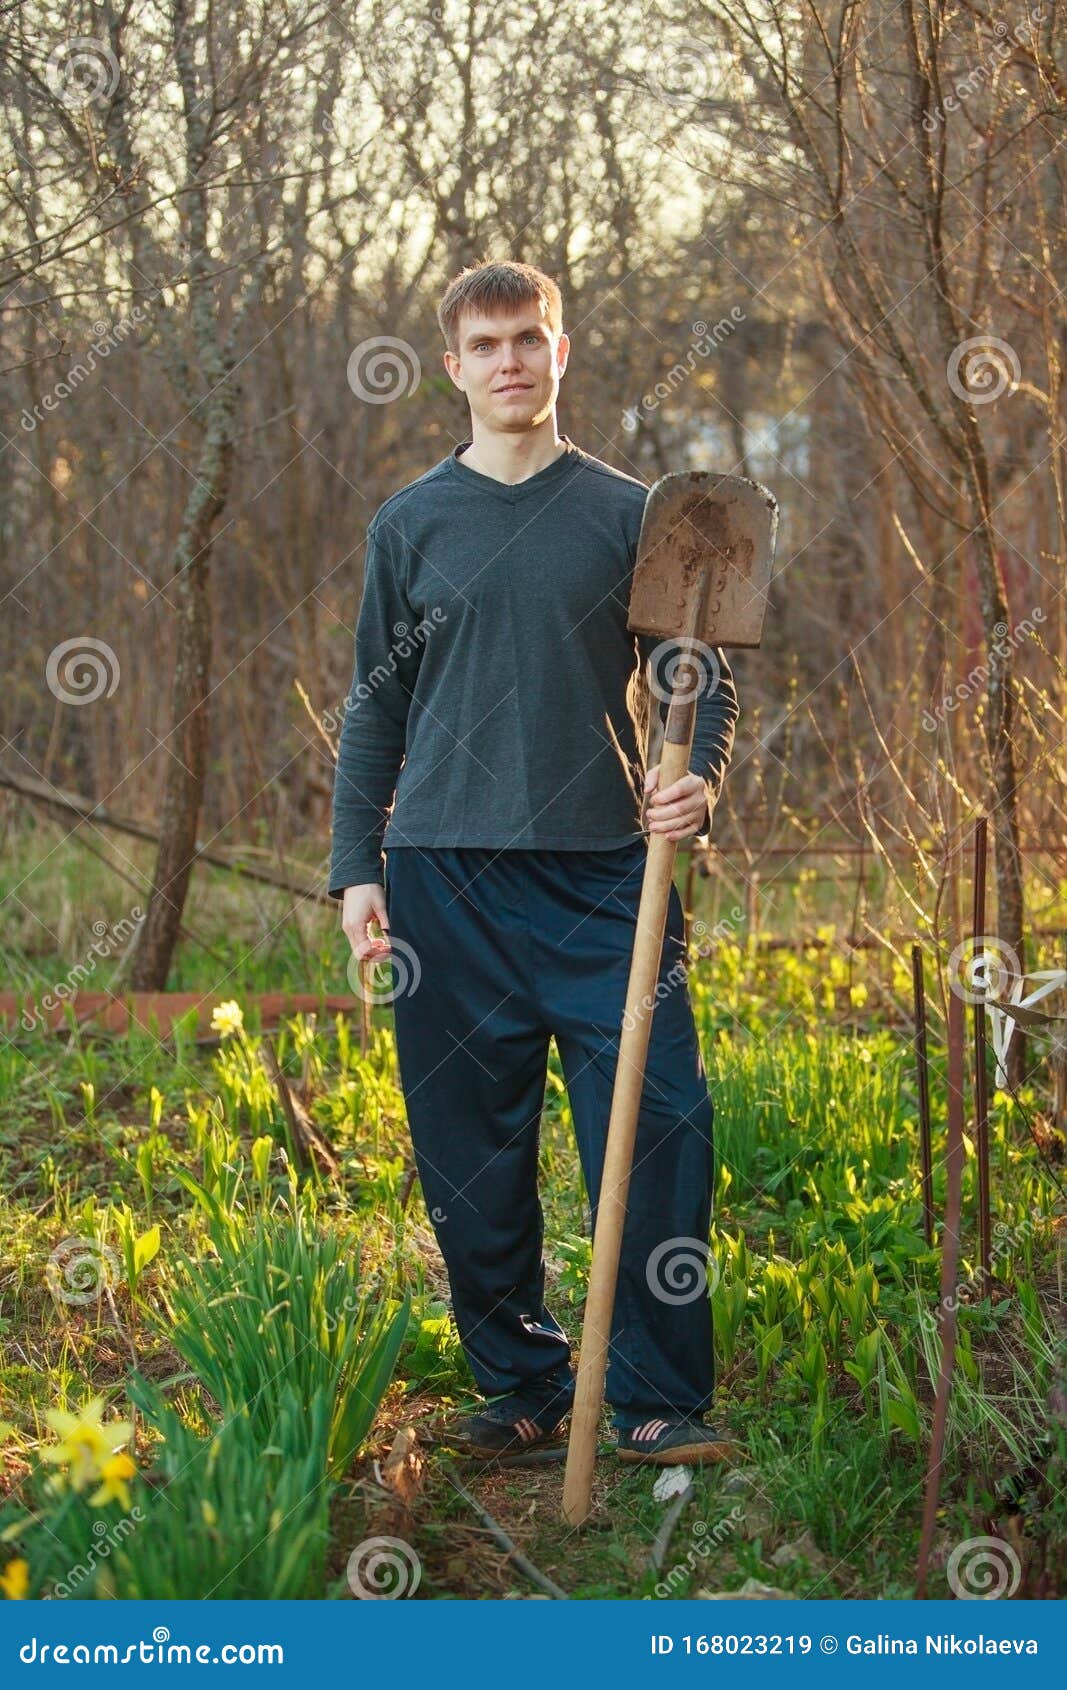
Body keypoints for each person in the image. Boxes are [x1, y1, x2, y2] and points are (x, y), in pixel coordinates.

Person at [329, 259, 740, 1466]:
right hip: (443, 877)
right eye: (486, 343)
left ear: (562, 353)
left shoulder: (632, 514)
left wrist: (696, 774)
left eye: (530, 338)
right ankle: (518, 1381)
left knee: (664, 1122)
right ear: (452, 366)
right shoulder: (410, 526)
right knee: (470, 1148)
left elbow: (694, 674)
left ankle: (660, 1398)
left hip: (607, 876)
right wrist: (359, 867)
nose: (510, 359)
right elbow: (373, 705)